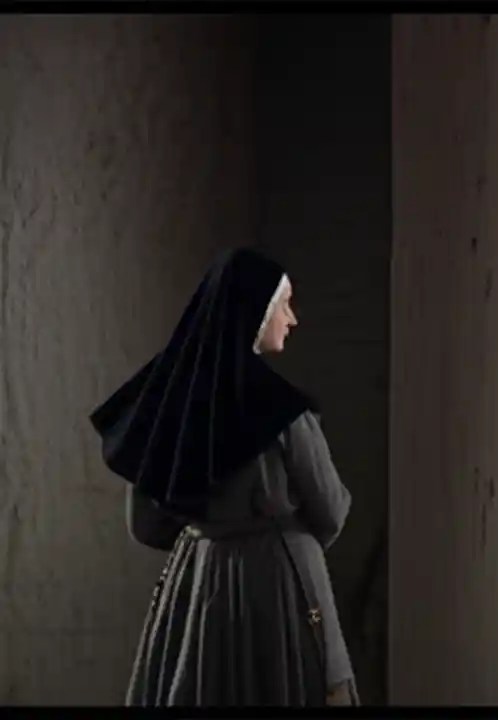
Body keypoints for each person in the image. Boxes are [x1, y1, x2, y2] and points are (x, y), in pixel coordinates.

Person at [89, 247, 358, 706]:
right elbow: (329, 510)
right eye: (284, 304)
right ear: (255, 311)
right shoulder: (284, 410)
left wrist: (209, 538)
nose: (292, 319)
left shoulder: (167, 402)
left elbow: (145, 525)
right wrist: (279, 546)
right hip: (278, 582)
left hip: (198, 583)